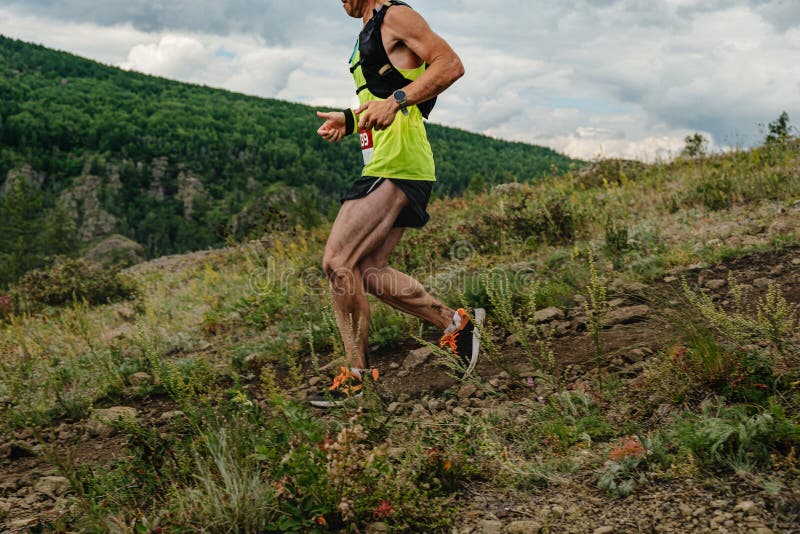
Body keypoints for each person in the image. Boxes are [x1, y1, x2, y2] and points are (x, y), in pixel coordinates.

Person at [309, 0, 484, 408]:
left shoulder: (395, 16)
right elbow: (380, 99)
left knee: (337, 261)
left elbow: (450, 65)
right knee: (368, 271)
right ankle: (455, 323)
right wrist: (349, 121)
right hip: (391, 161)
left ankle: (355, 376)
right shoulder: (368, 30)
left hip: (399, 162)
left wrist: (400, 99)